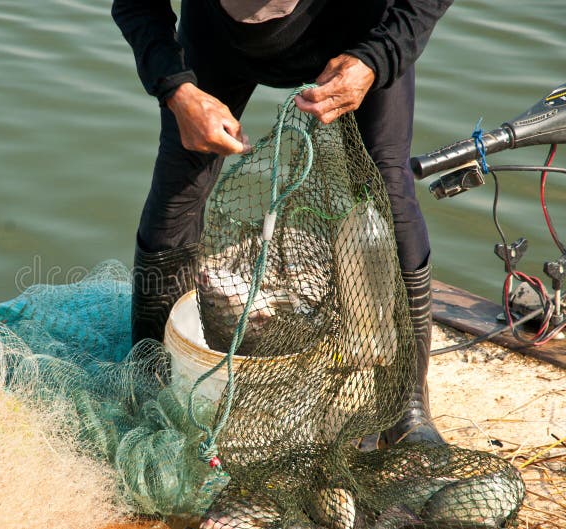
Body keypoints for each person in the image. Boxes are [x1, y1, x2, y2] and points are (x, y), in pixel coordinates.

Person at [112, 0, 453, 447]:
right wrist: (177, 89)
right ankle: (152, 371)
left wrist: (377, 58)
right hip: (220, 38)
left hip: (357, 32)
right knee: (179, 190)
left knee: (387, 190)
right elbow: (135, 4)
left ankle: (406, 401)